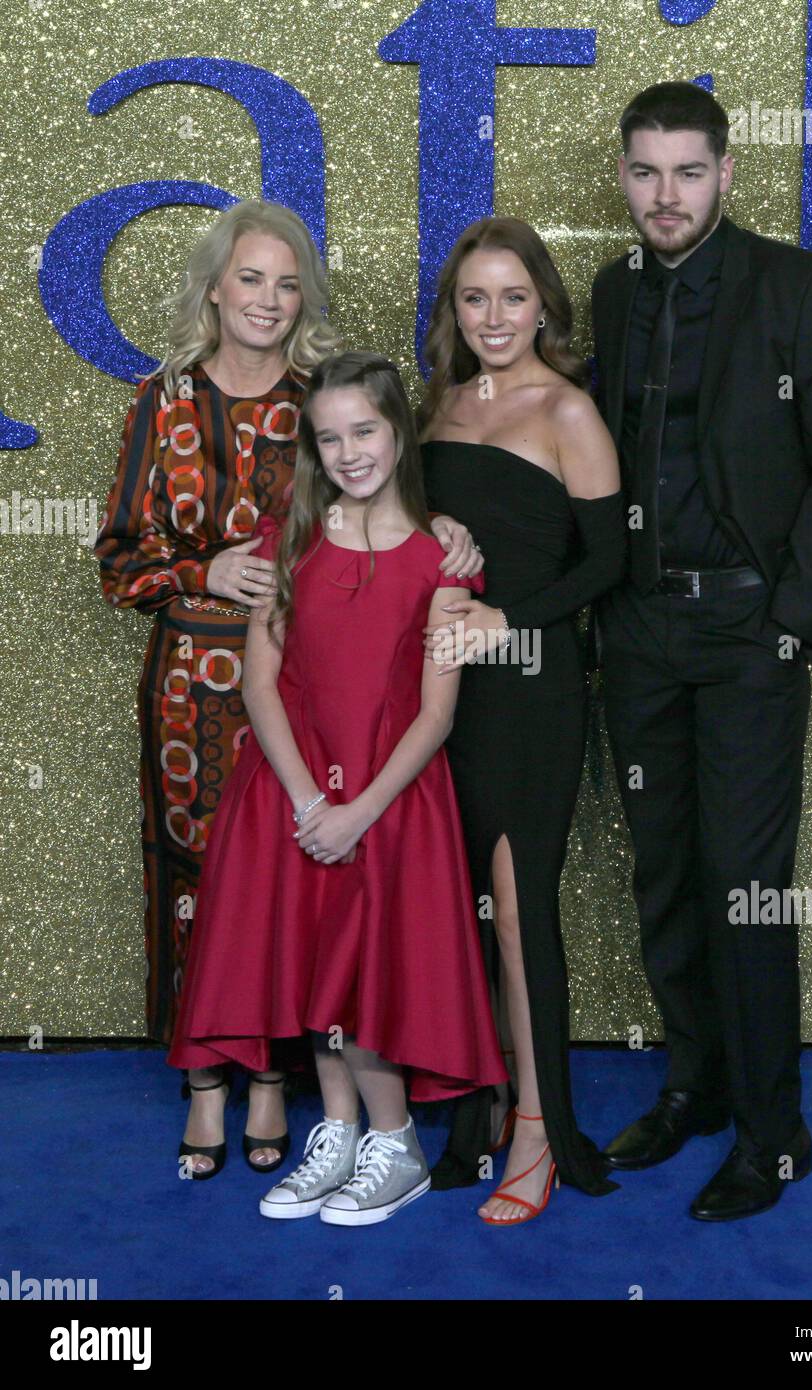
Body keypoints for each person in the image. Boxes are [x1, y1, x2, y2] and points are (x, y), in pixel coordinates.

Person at [93, 200, 482, 1173]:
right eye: (250, 278)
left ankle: (278, 1083)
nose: (268, 299)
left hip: (318, 695)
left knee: (305, 892)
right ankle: (208, 1080)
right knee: (205, 886)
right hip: (197, 688)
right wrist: (201, 572)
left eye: (287, 280)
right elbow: (117, 563)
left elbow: (393, 516)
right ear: (215, 288)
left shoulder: (322, 401)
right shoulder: (162, 401)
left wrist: (456, 544)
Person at [591, 81, 812, 1220]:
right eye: (647, 172)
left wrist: (792, 620)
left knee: (745, 887)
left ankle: (772, 1130)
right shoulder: (612, 294)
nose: (668, 196)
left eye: (689, 172)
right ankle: (694, 1086)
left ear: (725, 175)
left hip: (752, 632)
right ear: (623, 176)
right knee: (663, 870)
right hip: (641, 628)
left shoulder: (798, 284)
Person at [167, 350, 507, 1223]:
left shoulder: (441, 555)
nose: (350, 451)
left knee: (371, 966)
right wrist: (308, 802)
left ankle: (396, 1145)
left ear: (398, 429)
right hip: (291, 790)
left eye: (364, 430)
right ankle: (343, 1132)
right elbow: (258, 682)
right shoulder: (294, 537)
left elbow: (435, 715)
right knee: (318, 961)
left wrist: (358, 810)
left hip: (391, 798)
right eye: (329, 438)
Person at [418, 216, 626, 1223]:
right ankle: (482, 1105)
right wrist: (436, 536)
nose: (494, 316)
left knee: (518, 916)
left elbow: (607, 563)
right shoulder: (440, 406)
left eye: (512, 296)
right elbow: (419, 534)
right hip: (441, 697)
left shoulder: (568, 409)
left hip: (532, 690)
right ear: (453, 309)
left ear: (542, 301)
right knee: (456, 915)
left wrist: (506, 614)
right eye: (474, 298)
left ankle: (544, 1133)